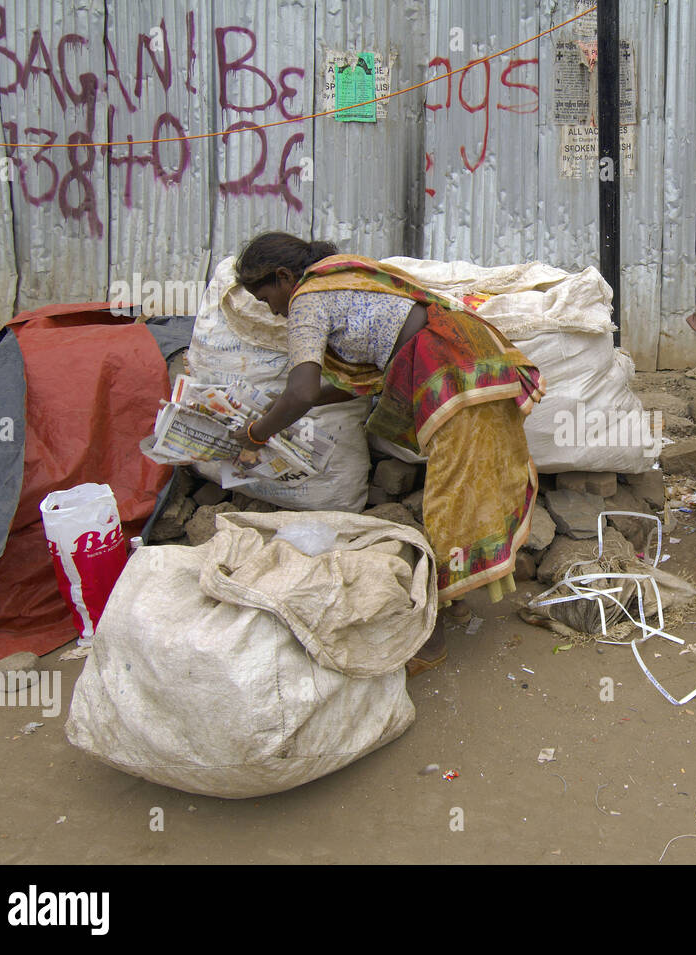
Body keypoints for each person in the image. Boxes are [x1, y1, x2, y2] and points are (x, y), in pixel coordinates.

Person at [230, 232, 545, 674]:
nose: (274, 311)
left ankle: (430, 640)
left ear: (285, 277)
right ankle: (458, 604)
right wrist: (276, 413)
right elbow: (344, 385)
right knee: (476, 489)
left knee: (448, 503)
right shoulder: (342, 277)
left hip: (451, 373)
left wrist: (257, 433)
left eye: (267, 298)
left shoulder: (307, 298)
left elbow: (300, 391)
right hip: (472, 357)